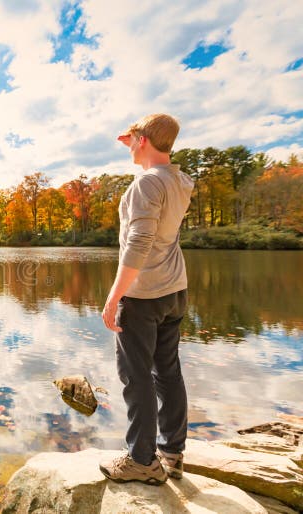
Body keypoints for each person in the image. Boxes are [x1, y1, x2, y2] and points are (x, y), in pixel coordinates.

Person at [98, 113, 195, 485]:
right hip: (175, 290)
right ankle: (172, 453)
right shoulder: (179, 180)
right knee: (167, 371)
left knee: (134, 375)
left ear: (143, 141)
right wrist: (140, 139)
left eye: (134, 139)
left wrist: (113, 296)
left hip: (142, 294)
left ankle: (141, 460)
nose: (128, 145)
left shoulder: (146, 184)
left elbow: (139, 243)